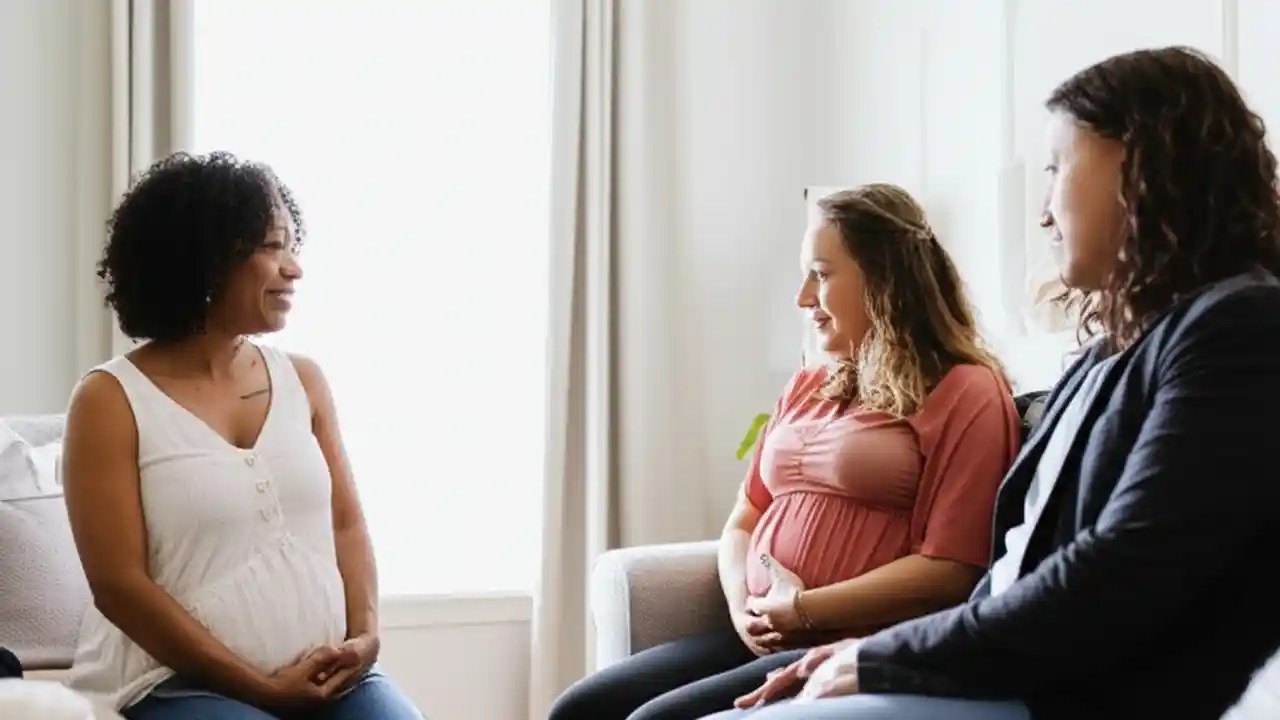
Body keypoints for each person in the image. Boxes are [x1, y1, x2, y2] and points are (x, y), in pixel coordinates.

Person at [711, 46, 1280, 720]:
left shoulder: (1240, 325)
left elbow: (1124, 571)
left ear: (1142, 166)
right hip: (988, 671)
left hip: (1063, 693)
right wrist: (877, 653)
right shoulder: (1108, 354)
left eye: (1056, 168)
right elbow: (1007, 577)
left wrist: (880, 656)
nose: (1043, 212)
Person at [546, 184, 1021, 720]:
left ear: (885, 279)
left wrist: (801, 610)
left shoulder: (965, 391)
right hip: (763, 631)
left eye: (821, 273)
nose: (803, 298)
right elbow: (743, 519)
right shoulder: (808, 386)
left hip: (849, 642)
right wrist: (742, 607)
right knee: (579, 710)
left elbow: (952, 568)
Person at [61, 152, 424, 720]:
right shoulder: (109, 401)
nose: (294, 268)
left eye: (291, 245)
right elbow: (118, 585)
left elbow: (345, 524)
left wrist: (366, 636)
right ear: (206, 261)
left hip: (337, 679)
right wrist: (262, 689)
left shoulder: (303, 379)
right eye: (271, 247)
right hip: (177, 684)